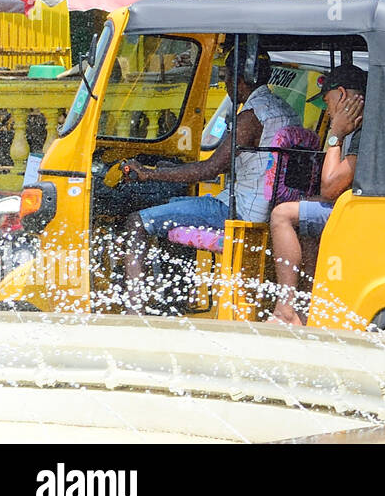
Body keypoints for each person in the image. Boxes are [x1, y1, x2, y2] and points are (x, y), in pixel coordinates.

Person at [120, 48, 299, 311]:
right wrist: (170, 169)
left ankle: (134, 310)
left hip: (238, 211)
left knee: (136, 222)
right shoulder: (285, 110)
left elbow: (210, 169)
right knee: (176, 206)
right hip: (266, 207)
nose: (226, 83)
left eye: (227, 76)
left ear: (241, 78)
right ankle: (177, 300)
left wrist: (148, 173)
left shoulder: (251, 117)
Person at [268, 64, 367, 325]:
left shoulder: (362, 131)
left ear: (341, 94)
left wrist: (335, 133)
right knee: (303, 211)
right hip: (357, 205)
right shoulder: (360, 128)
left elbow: (330, 186)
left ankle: (285, 309)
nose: (327, 109)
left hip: (365, 212)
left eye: (327, 101)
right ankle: (307, 303)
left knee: (281, 215)